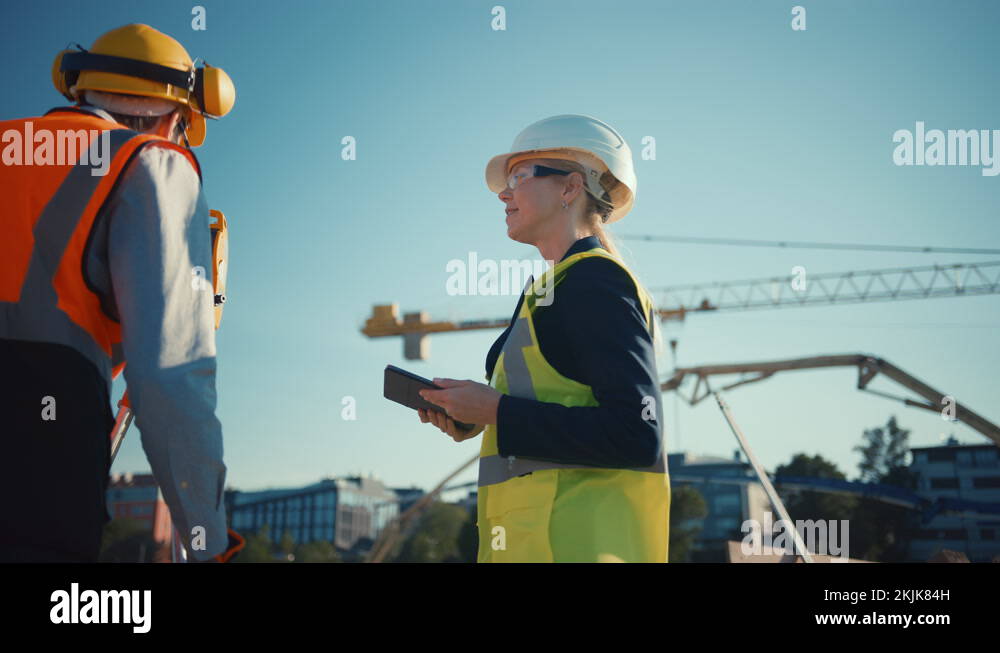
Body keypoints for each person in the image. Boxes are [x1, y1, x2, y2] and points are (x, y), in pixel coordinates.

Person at [0, 24, 240, 562]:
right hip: (37, 471)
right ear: (177, 116)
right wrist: (209, 545)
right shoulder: (148, 162)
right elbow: (172, 381)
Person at [418, 114, 670, 562]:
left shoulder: (594, 282)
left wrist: (497, 409)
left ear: (570, 188)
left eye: (519, 175)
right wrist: (474, 417)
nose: (503, 192)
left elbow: (636, 434)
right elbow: (558, 406)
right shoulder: (549, 291)